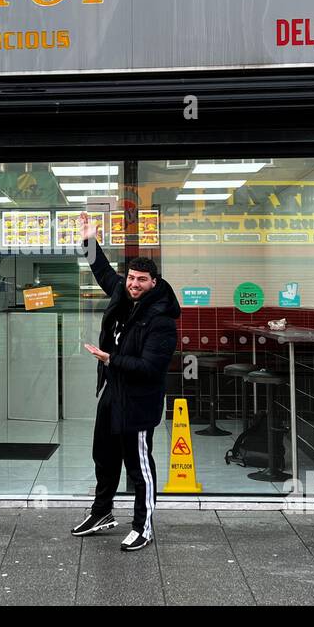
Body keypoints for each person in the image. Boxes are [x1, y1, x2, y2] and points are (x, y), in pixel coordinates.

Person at [70, 212, 180, 551]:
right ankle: (102, 512)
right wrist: (89, 241)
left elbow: (150, 368)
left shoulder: (161, 320)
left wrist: (109, 359)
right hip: (113, 392)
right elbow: (102, 270)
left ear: (154, 282)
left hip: (139, 401)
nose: (133, 284)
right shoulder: (123, 293)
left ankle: (143, 526)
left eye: (141, 280)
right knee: (103, 456)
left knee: (139, 467)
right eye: (132, 277)